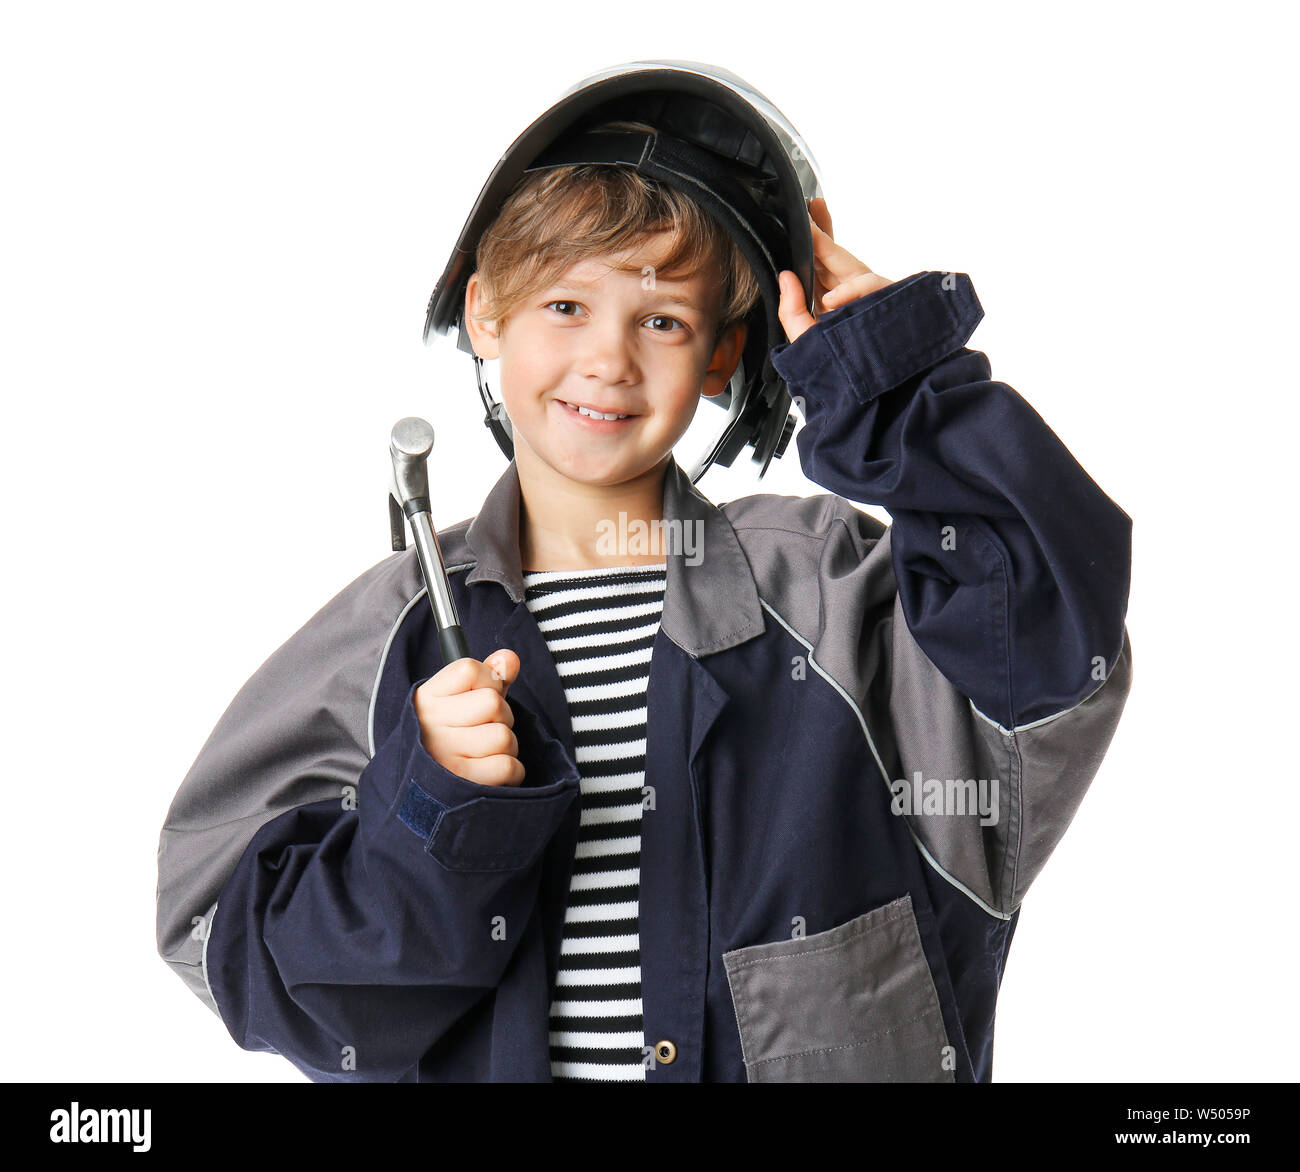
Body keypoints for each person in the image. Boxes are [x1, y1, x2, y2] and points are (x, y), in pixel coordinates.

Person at [156, 62, 1133, 1083]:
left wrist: (898, 394)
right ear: (487, 312)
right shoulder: (385, 640)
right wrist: (434, 814)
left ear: (722, 356)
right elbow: (250, 952)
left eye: (662, 319)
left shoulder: (833, 596)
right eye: (566, 303)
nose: (608, 359)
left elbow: (1055, 637)